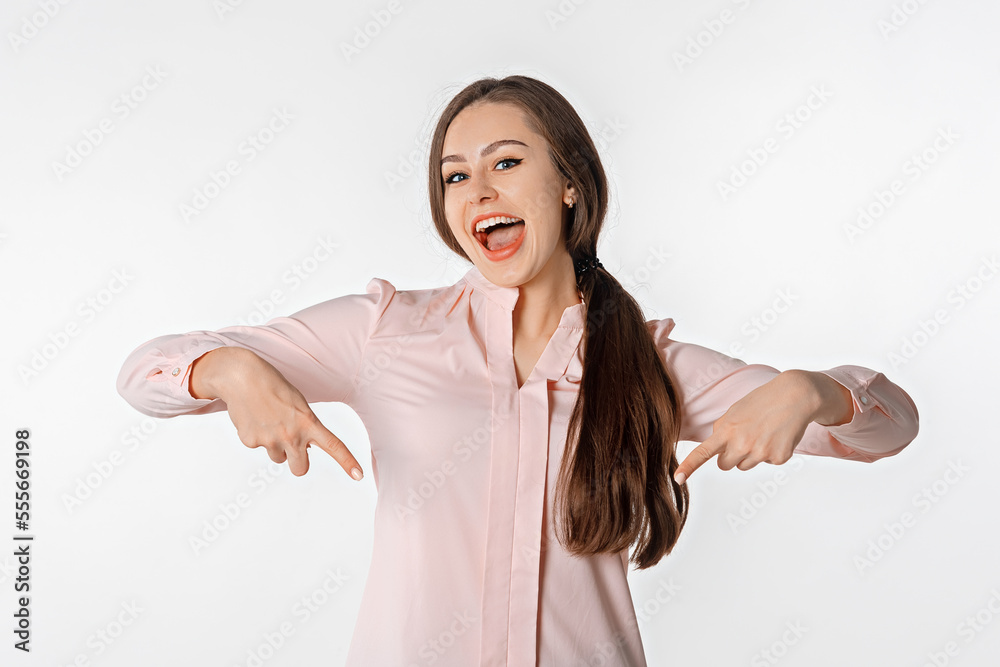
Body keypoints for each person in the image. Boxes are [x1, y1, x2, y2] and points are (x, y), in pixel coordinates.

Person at [116, 75, 919, 666]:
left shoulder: (646, 365)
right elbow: (142, 371)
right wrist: (227, 369)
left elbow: (891, 427)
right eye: (456, 175)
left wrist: (814, 389)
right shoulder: (386, 333)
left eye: (504, 162)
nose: (476, 191)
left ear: (568, 183)